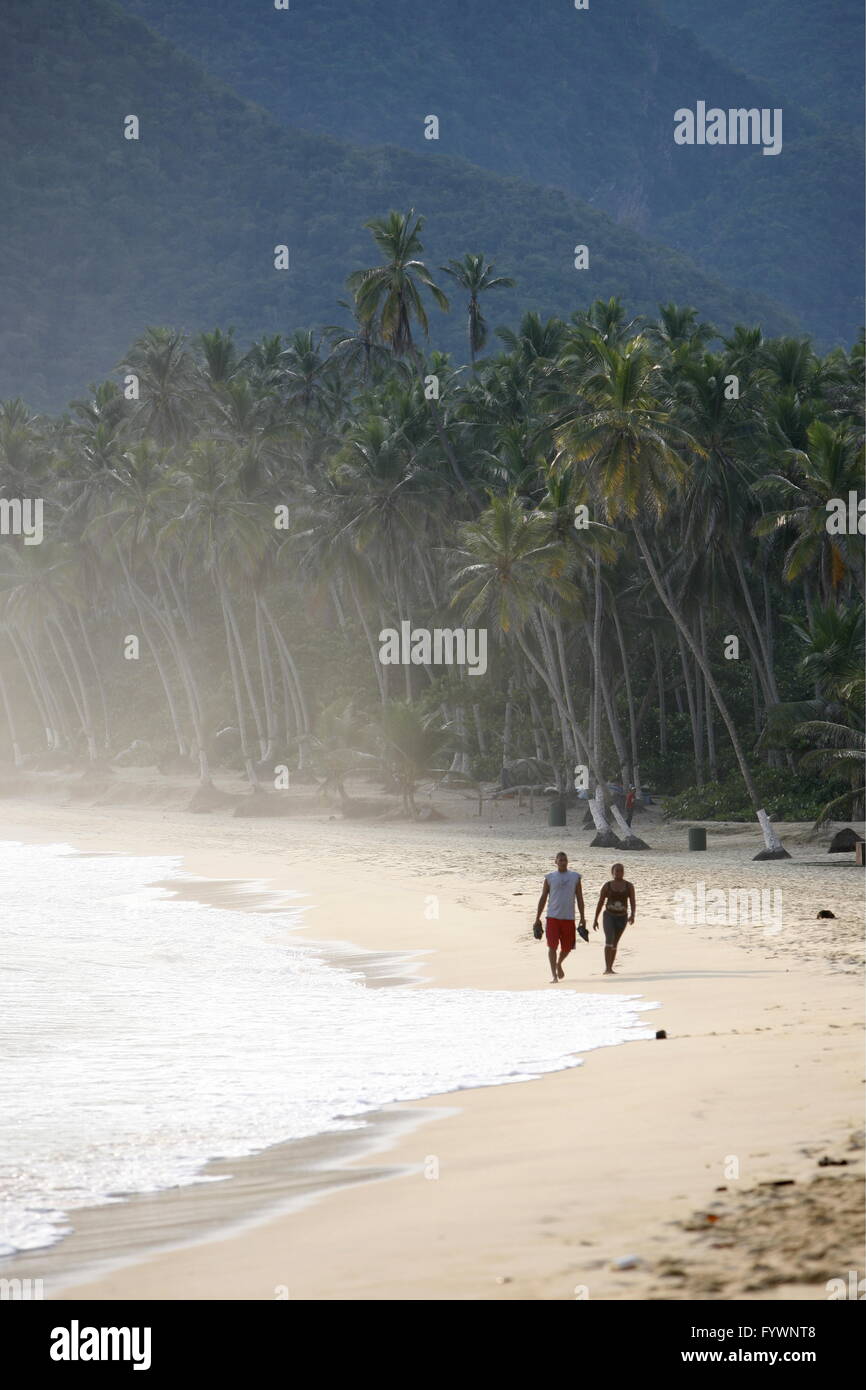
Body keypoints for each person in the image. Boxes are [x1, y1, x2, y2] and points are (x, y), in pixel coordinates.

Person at [533, 851, 586, 983]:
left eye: (565, 860)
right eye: (560, 860)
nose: (563, 862)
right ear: (555, 861)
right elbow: (543, 897)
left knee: (567, 948)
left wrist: (582, 917)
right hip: (552, 917)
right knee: (552, 946)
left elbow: (579, 898)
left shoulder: (575, 877)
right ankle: (554, 976)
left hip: (569, 917)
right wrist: (537, 917)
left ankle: (559, 963)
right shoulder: (550, 877)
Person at [593, 863, 635, 975]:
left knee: (615, 942)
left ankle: (610, 968)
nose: (619, 873)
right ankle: (607, 968)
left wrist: (633, 914)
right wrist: (595, 918)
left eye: (621, 871)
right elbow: (601, 902)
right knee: (609, 940)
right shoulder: (607, 886)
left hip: (622, 917)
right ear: (612, 872)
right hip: (609, 916)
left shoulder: (629, 886)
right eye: (616, 871)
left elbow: (632, 901)